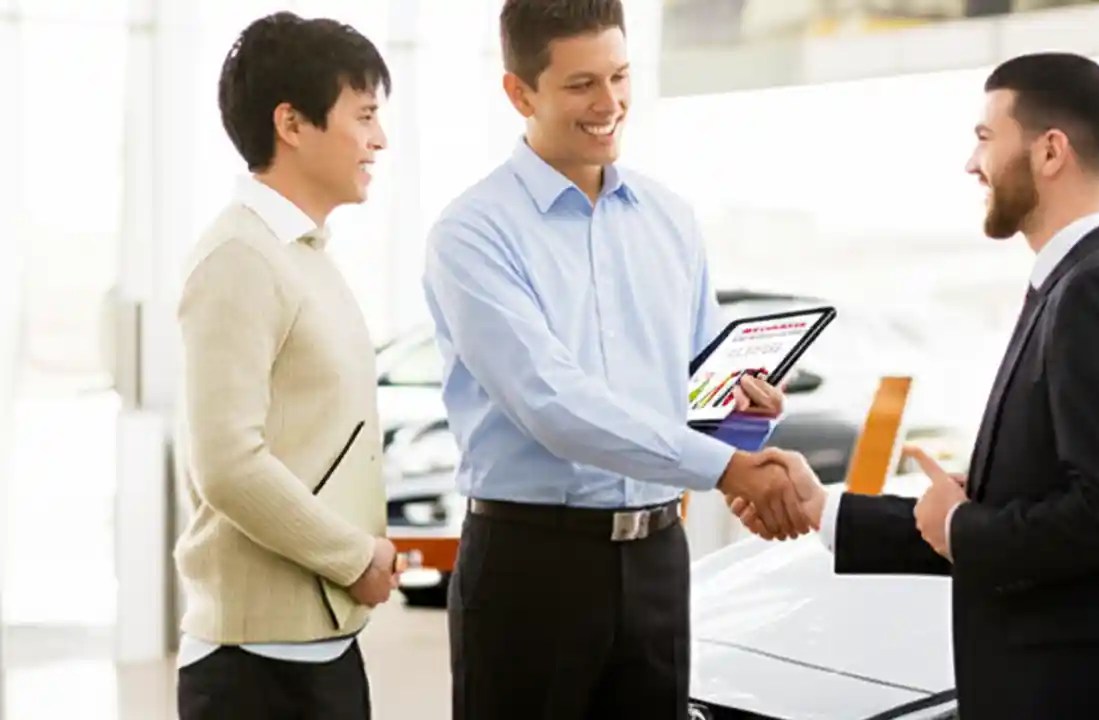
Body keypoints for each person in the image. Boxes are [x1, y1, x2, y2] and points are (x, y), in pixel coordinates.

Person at [733, 52, 1099, 720]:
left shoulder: (1097, 292)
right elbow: (1015, 516)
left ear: (1050, 151)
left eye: (984, 137)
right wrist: (822, 508)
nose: (971, 164)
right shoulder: (1078, 284)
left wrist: (960, 524)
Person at [421, 1, 812, 717]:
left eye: (621, 76)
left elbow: (701, 384)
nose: (610, 104)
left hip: (659, 560)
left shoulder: (670, 218)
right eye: (581, 85)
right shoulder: (471, 234)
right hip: (531, 567)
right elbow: (553, 404)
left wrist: (742, 421)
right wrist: (728, 469)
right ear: (520, 93)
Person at [172, 12, 399, 719]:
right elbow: (228, 463)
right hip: (256, 670)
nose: (378, 139)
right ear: (292, 123)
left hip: (320, 647)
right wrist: (354, 557)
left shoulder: (300, 253)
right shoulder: (239, 258)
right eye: (363, 116)